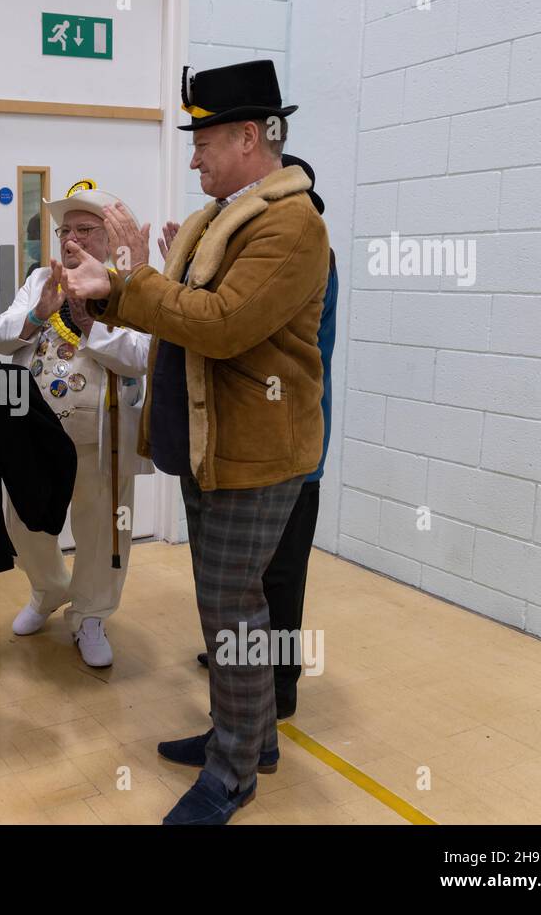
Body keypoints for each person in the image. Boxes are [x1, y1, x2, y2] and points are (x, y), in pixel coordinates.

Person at [62, 60, 330, 824]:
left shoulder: (291, 224)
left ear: (248, 137)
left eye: (202, 142)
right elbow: (178, 308)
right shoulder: (224, 215)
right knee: (226, 611)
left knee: (232, 613)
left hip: (254, 455)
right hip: (214, 449)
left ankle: (233, 773)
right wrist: (113, 289)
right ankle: (250, 739)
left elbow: (221, 324)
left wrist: (133, 279)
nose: (192, 159)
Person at [190, 154, 338, 720]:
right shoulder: (272, 248)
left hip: (288, 449)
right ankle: (247, 672)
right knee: (251, 582)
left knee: (278, 577)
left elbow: (236, 329)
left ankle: (277, 688)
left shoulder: (303, 250)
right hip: (268, 443)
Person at [0, 180, 151, 667]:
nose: (72, 239)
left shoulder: (131, 284)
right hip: (36, 435)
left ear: (109, 237)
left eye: (86, 229)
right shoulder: (41, 279)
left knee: (103, 529)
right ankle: (49, 589)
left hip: (101, 439)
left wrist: (90, 328)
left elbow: (143, 355)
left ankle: (91, 614)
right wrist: (38, 314)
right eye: (65, 230)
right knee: (22, 521)